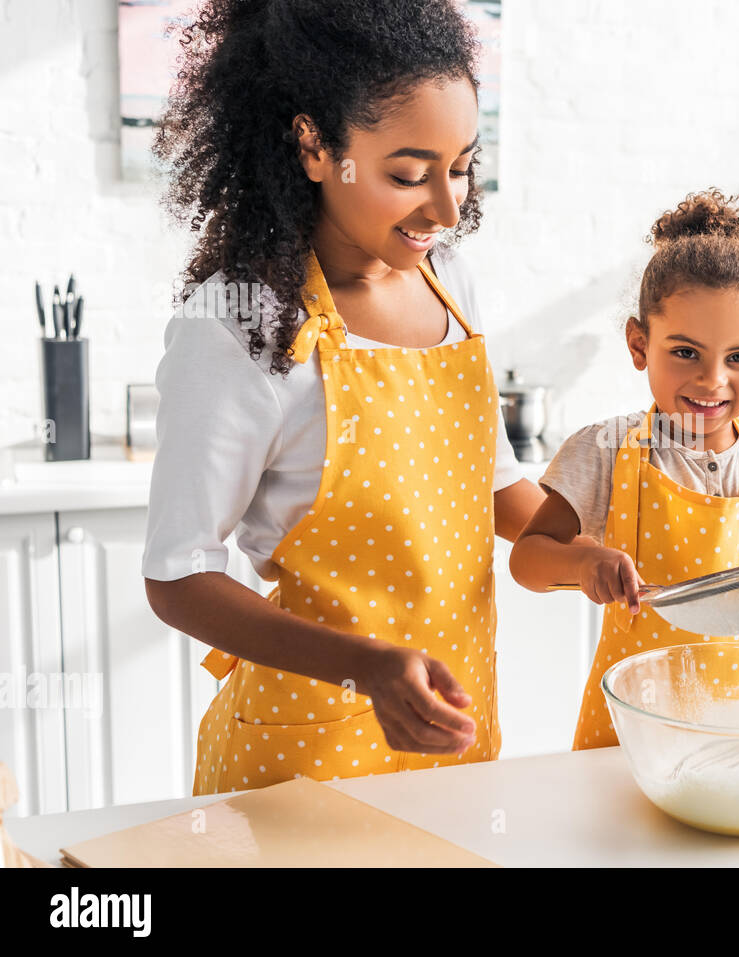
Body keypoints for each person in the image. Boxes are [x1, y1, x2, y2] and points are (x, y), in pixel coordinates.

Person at [143, 0, 545, 794]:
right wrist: (365, 667)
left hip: (453, 746)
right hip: (303, 759)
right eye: (407, 173)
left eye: (461, 164)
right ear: (315, 146)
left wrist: (598, 544)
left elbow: (492, 483)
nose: (449, 207)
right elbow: (177, 575)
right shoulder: (239, 324)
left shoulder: (449, 284)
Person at [510, 189, 739, 750]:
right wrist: (582, 560)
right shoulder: (605, 451)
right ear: (638, 343)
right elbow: (527, 561)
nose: (712, 380)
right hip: (627, 739)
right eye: (685, 352)